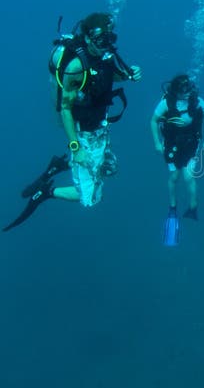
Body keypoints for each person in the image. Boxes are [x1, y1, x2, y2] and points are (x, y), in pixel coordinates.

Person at [4, 12, 141, 231]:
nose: (105, 45)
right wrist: (76, 147)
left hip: (100, 127)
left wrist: (129, 74)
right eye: (100, 40)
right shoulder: (76, 67)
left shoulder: (104, 57)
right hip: (84, 132)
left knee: (110, 168)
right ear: (87, 38)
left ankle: (60, 165)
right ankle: (46, 193)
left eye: (109, 39)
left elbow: (109, 76)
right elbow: (65, 108)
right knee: (90, 199)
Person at [150, 74, 204, 225]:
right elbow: (153, 121)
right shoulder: (166, 103)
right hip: (172, 144)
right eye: (184, 90)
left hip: (191, 143)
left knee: (189, 177)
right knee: (175, 176)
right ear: (176, 91)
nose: (187, 92)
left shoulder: (197, 101)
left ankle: (193, 207)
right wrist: (157, 143)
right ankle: (173, 206)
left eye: (189, 89)